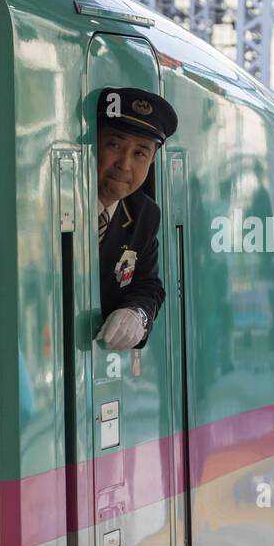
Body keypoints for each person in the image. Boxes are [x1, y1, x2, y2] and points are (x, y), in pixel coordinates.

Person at [95, 86, 177, 351]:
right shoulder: (53, 202)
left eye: (140, 153)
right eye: (115, 145)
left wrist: (137, 313)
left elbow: (148, 285)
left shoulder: (143, 214)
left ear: (152, 160)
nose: (125, 164)